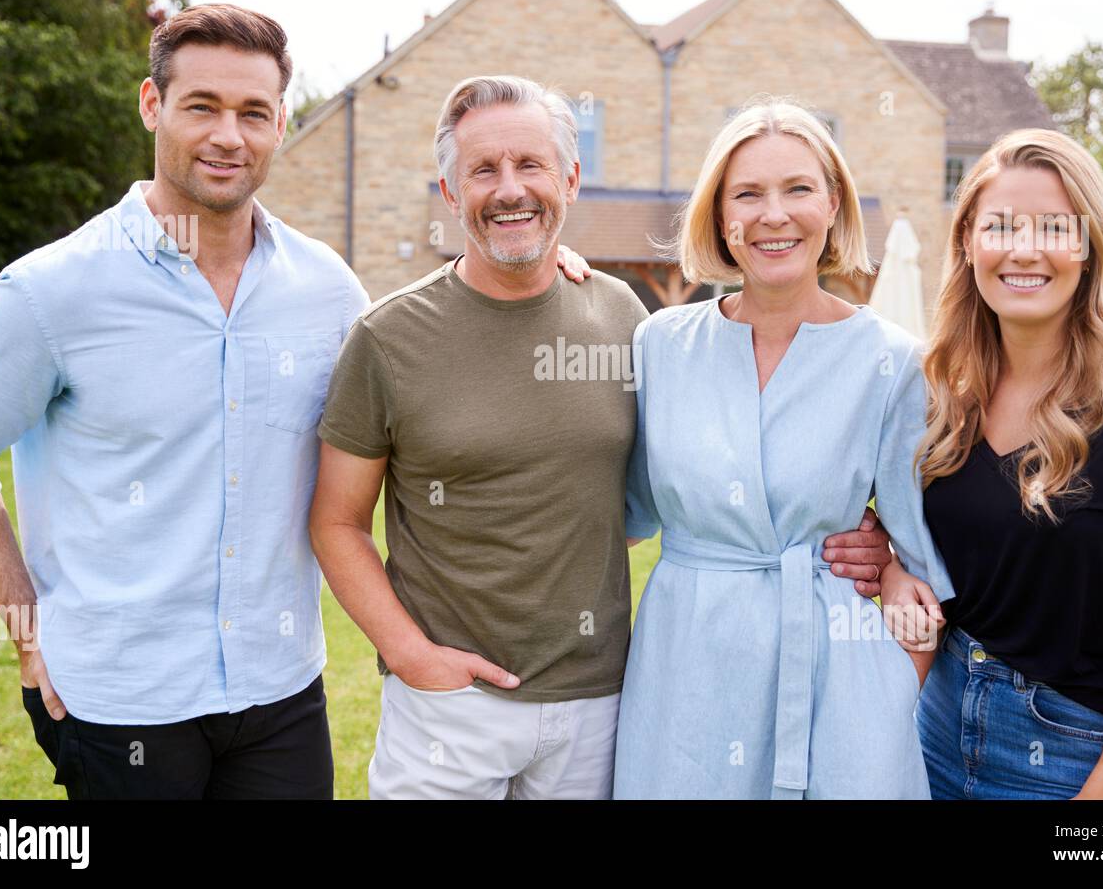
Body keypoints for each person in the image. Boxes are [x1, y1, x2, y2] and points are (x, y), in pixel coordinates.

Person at [309, 77, 896, 800]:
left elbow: (653, 496)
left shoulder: (622, 317)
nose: (508, 189)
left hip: (600, 701)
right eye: (483, 170)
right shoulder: (389, 337)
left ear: (571, 178)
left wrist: (866, 535)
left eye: (531, 166)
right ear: (450, 190)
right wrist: (412, 656)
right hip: (449, 710)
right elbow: (336, 521)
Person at [0, 3, 367, 799]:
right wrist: (27, 626)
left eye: (254, 113)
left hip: (281, 692)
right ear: (151, 104)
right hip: (118, 701)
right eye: (201, 106)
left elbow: (410, 388)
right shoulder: (53, 292)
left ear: (280, 123)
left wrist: (535, 271)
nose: (228, 136)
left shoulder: (328, 291)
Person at [612, 97, 954, 799]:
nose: (774, 214)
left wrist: (886, 693)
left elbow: (923, 566)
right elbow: (623, 512)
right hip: (685, 677)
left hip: (838, 684)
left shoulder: (892, 361)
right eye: (748, 193)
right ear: (720, 215)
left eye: (797, 188)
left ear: (832, 203)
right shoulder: (662, 345)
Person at [881, 128, 1103, 799]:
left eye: (1053, 226)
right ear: (967, 242)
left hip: (1074, 753)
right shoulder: (944, 396)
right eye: (1001, 225)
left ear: (1090, 245)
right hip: (933, 729)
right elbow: (915, 538)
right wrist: (897, 571)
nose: (1024, 248)